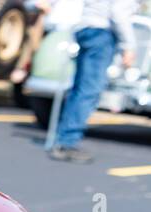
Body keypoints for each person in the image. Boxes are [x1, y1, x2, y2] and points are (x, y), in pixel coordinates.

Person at [51, 0, 138, 162]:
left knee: (80, 89)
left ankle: (64, 138)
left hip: (86, 27)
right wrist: (129, 46)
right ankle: (66, 142)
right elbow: (119, 13)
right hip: (101, 32)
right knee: (89, 90)